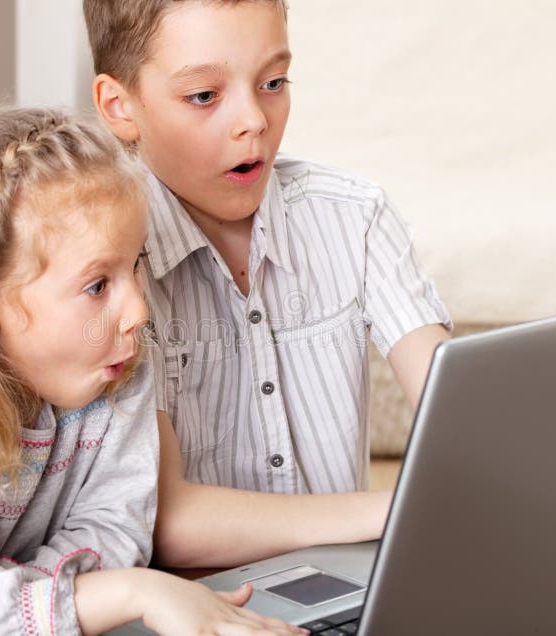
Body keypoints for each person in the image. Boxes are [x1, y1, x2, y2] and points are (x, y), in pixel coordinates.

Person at [0, 106, 307, 636]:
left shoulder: (115, 365)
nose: (139, 311)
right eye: (97, 285)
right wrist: (135, 592)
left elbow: (117, 532)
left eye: (135, 264)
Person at [84, 0, 452, 551]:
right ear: (119, 106)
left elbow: (456, 413)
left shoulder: (355, 218)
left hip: (347, 580)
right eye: (204, 96)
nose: (254, 119)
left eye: (273, 82)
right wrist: (394, 510)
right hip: (200, 594)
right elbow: (166, 519)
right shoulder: (105, 272)